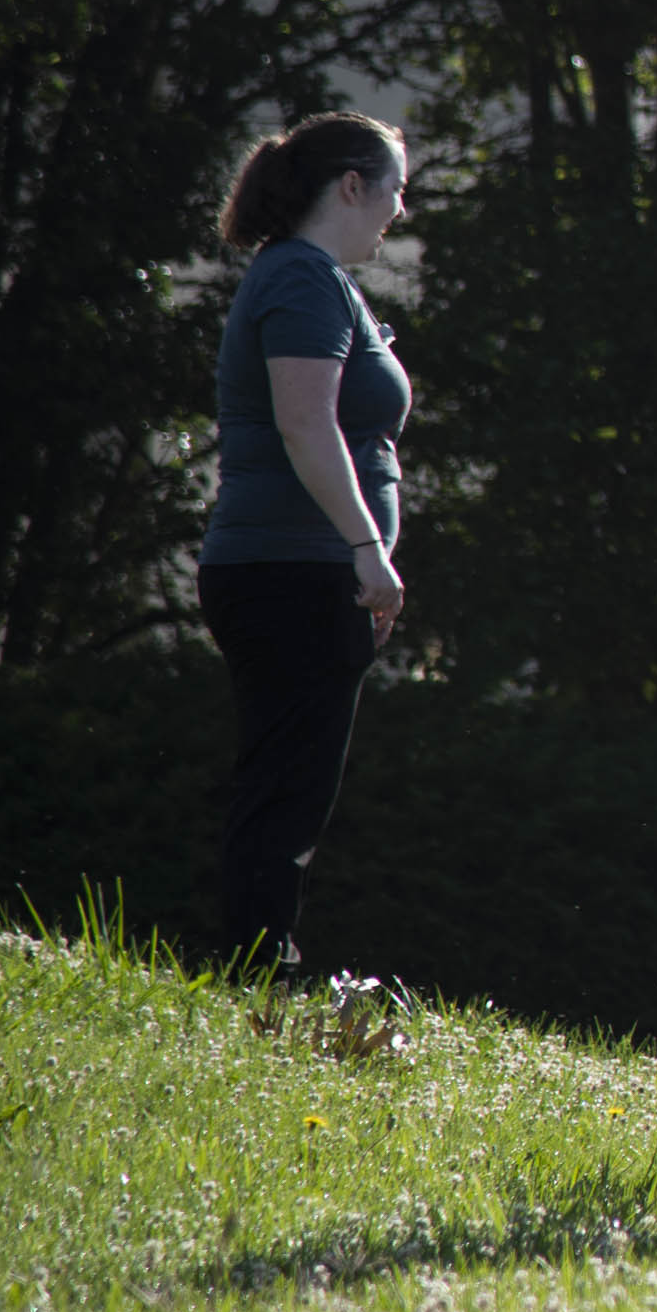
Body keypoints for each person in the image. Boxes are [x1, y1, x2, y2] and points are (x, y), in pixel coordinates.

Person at [200, 113, 416, 975]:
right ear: (351, 187)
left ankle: (261, 961)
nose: (399, 211)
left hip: (296, 568)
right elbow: (305, 422)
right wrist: (367, 546)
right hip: (292, 568)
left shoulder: (314, 280)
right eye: (395, 190)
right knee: (287, 785)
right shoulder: (300, 279)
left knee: (290, 779)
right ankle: (260, 971)